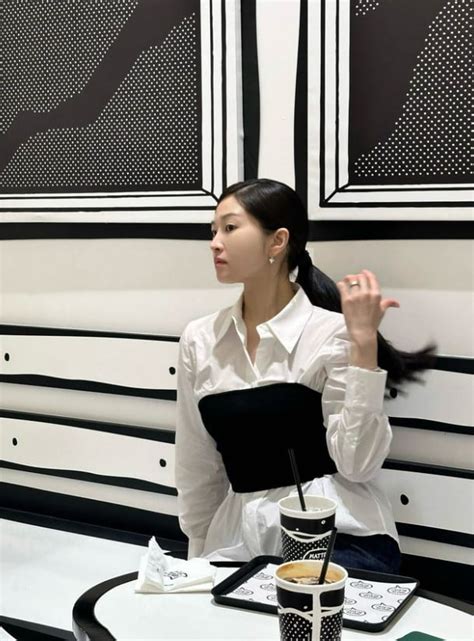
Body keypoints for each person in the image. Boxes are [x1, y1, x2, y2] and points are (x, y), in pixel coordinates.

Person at [175, 178, 434, 573]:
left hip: (338, 535)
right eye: (213, 231)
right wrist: (196, 564)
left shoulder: (332, 333)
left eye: (229, 228)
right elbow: (196, 464)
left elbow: (358, 465)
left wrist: (363, 345)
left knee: (300, 608)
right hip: (238, 542)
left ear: (277, 242)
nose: (215, 243)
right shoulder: (200, 339)